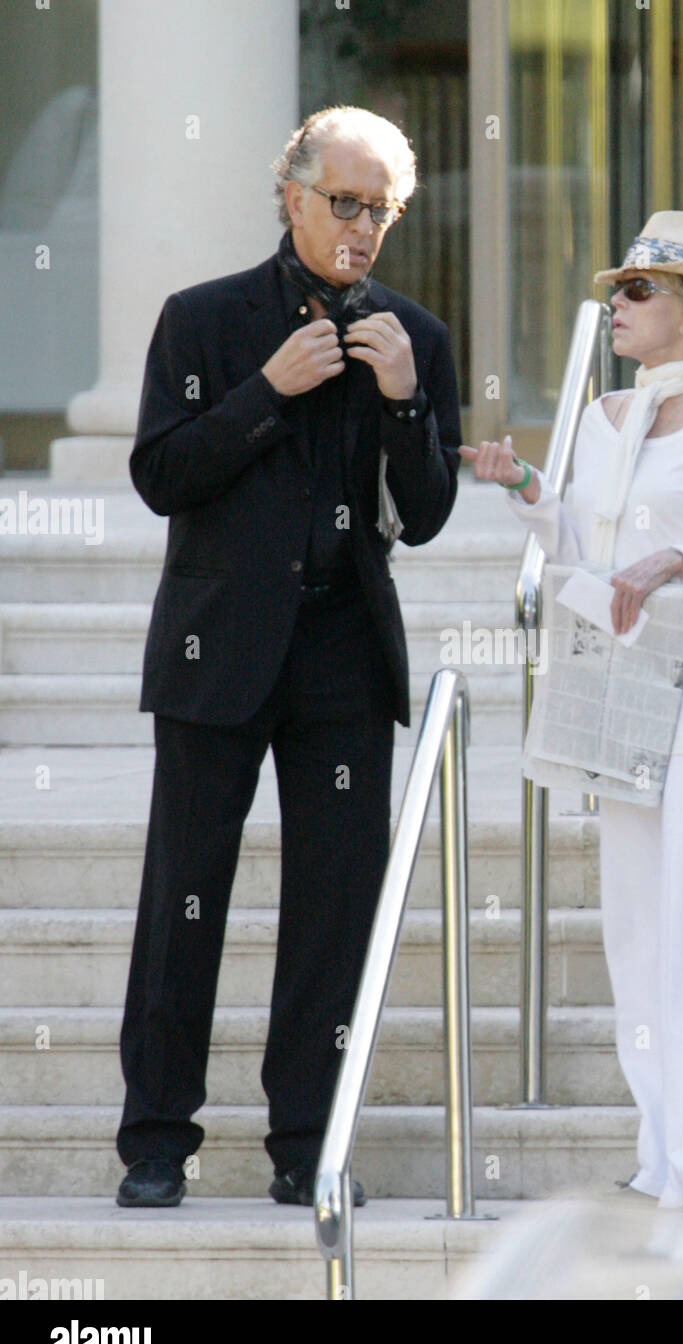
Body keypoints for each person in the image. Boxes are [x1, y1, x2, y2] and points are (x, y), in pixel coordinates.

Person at [115, 106, 461, 1208]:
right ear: (293, 196)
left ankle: (308, 1143)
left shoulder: (414, 335)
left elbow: (434, 508)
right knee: (185, 894)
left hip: (342, 657)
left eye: (382, 210)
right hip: (218, 649)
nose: (362, 228)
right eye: (344, 203)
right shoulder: (203, 321)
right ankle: (157, 1141)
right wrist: (269, 393)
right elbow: (162, 474)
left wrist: (406, 403)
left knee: (333, 908)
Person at [462, 210, 683, 1213]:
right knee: (635, 933)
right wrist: (528, 489)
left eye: (640, 291)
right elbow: (580, 548)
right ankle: (662, 1150)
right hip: (610, 686)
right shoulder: (603, 418)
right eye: (620, 288)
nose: (617, 303)